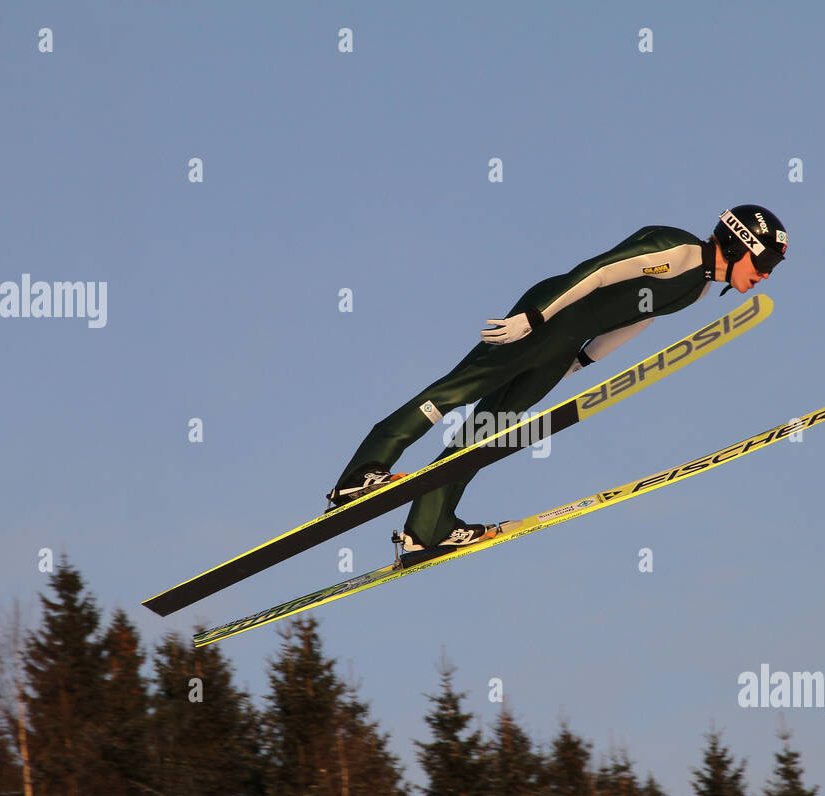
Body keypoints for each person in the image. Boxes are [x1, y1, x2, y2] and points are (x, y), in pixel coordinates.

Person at [326, 205, 788, 556]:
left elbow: (637, 319)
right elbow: (599, 269)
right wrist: (535, 315)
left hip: (565, 343)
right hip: (549, 317)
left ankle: (428, 527)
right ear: (736, 243)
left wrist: (584, 360)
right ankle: (361, 474)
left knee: (489, 430)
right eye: (762, 262)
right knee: (459, 390)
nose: (764, 275)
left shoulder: (697, 287)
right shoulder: (678, 250)